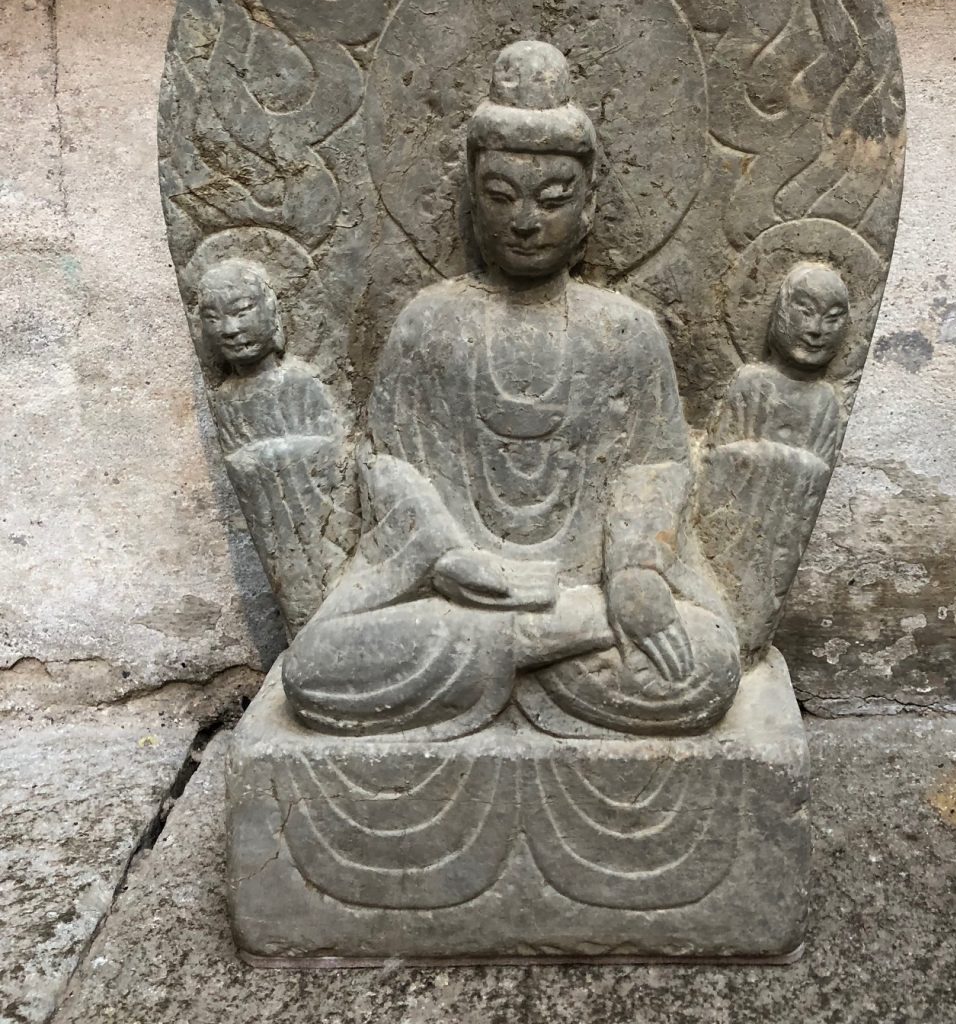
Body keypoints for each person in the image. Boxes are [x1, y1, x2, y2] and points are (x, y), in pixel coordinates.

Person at [282, 40, 740, 738]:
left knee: (708, 667)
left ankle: (538, 644)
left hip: (593, 594)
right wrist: (446, 558)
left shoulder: (626, 331)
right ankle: (534, 644)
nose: (526, 220)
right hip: (465, 603)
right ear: (471, 202)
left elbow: (656, 466)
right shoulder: (429, 324)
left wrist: (637, 575)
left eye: (553, 199)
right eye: (501, 196)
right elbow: (390, 468)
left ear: (589, 208)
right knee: (312, 669)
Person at [696, 261, 849, 656]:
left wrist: (778, 463)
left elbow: (816, 484)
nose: (815, 330)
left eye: (832, 319)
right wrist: (780, 462)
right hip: (735, 531)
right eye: (804, 311)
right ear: (779, 314)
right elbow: (716, 467)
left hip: (780, 542)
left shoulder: (826, 403)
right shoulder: (751, 383)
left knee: (760, 608)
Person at [197, 258, 355, 636]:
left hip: (320, 529)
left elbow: (335, 460)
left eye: (241, 312)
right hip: (275, 537)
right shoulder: (225, 401)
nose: (230, 330)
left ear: (271, 312)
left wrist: (272, 457)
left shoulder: (301, 382)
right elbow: (240, 475)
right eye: (213, 318)